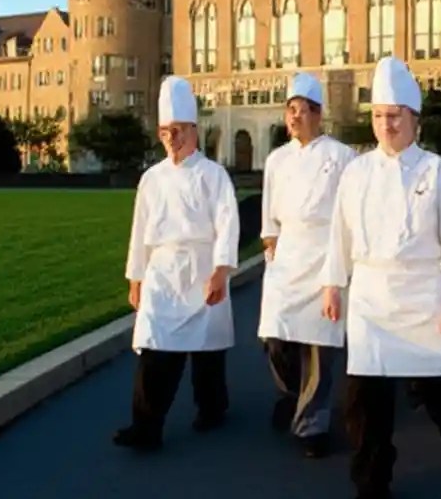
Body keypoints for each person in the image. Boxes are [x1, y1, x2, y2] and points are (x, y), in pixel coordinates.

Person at [321, 56, 441, 499]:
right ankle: (371, 486)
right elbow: (339, 233)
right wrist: (333, 282)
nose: (386, 125)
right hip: (371, 297)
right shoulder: (357, 171)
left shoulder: (439, 172)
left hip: (425, 292)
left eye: (395, 116)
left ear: (414, 120)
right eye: (378, 116)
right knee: (364, 403)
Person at [114, 76, 240, 452]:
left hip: (202, 265)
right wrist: (136, 277)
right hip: (162, 271)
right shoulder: (151, 179)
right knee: (155, 347)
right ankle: (146, 426)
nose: (173, 138)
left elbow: (227, 224)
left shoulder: (214, 175)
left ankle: (212, 407)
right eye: (167, 131)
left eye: (179, 130)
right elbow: (140, 231)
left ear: (193, 130)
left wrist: (220, 270)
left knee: (206, 350)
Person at [257, 73, 357, 458]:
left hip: (325, 254)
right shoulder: (277, 159)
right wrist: (271, 244)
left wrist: (343, 263)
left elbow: (348, 214)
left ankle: (312, 424)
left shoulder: (341, 156)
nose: (295, 117)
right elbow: (269, 212)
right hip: (287, 256)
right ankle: (292, 394)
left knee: (319, 346)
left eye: (303, 111)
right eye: (291, 110)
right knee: (275, 337)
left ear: (319, 115)